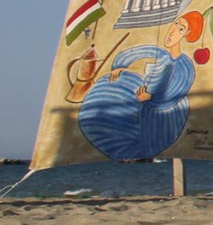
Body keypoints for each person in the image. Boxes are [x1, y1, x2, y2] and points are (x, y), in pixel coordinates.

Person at [77, 12, 204, 160]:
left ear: (187, 34)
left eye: (181, 29)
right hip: (145, 100)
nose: (173, 31)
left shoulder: (184, 65)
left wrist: (151, 98)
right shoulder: (162, 54)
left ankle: (136, 149)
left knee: (138, 125)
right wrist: (120, 65)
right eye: (175, 24)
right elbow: (137, 52)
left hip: (164, 113)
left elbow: (177, 91)